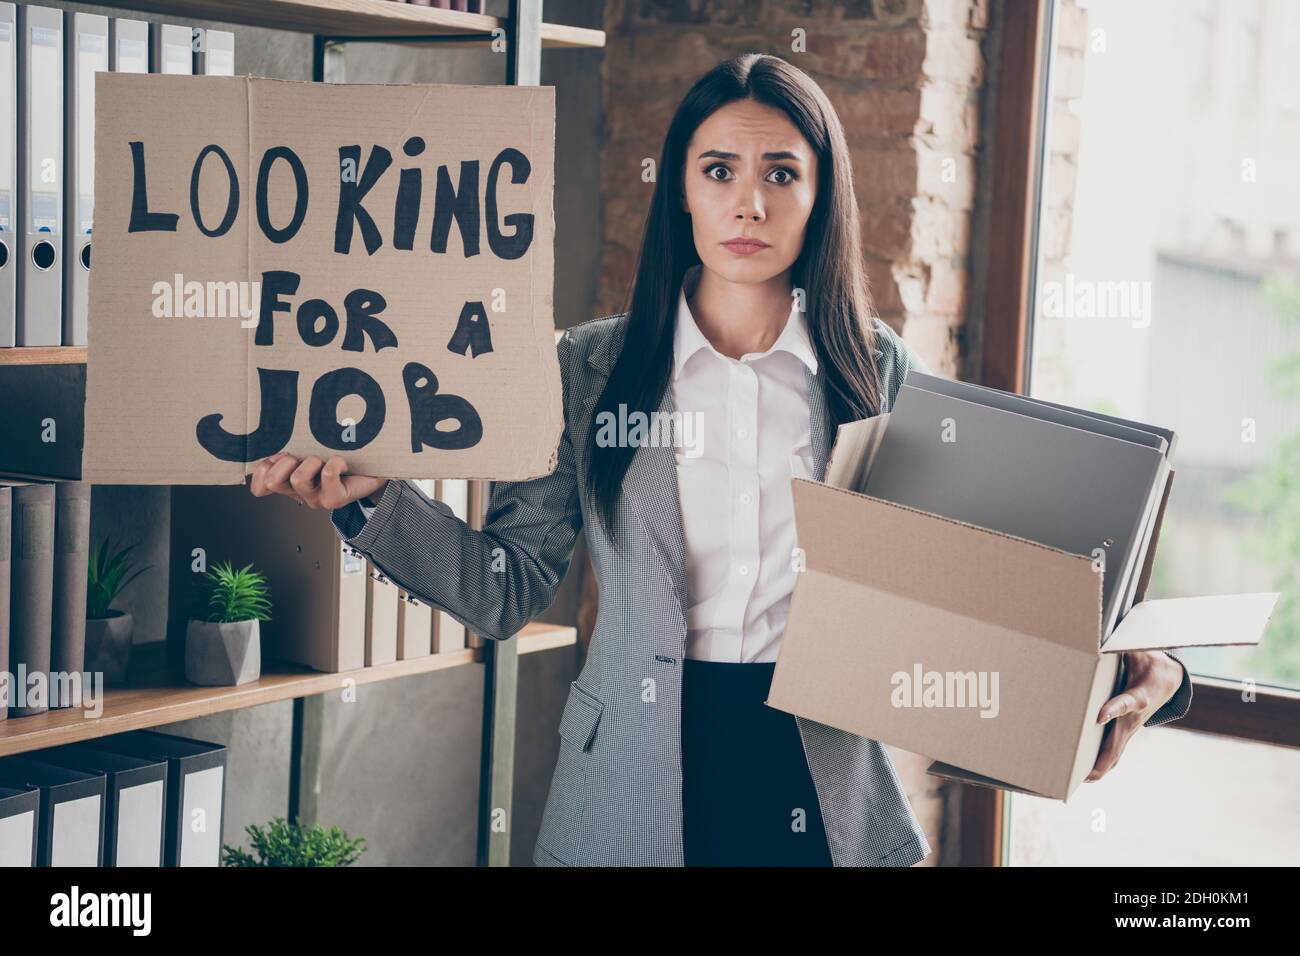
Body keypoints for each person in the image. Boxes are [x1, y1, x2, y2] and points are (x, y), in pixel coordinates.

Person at [250, 53, 1191, 867]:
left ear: (822, 195)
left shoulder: (879, 372)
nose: (750, 200)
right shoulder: (586, 368)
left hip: (817, 780)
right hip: (632, 781)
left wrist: (1139, 667)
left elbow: (981, 592)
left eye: (782, 172)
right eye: (719, 170)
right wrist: (375, 506)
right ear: (683, 190)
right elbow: (506, 587)